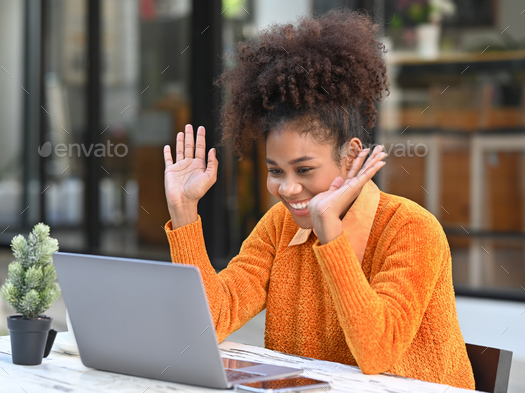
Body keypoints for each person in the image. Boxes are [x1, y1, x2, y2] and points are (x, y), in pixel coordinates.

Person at [161, 8, 475, 390]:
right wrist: (184, 212)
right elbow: (211, 320)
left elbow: (376, 352)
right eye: (276, 171)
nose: (288, 188)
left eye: (304, 170)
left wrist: (331, 235)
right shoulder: (279, 227)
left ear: (351, 155)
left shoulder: (411, 229)